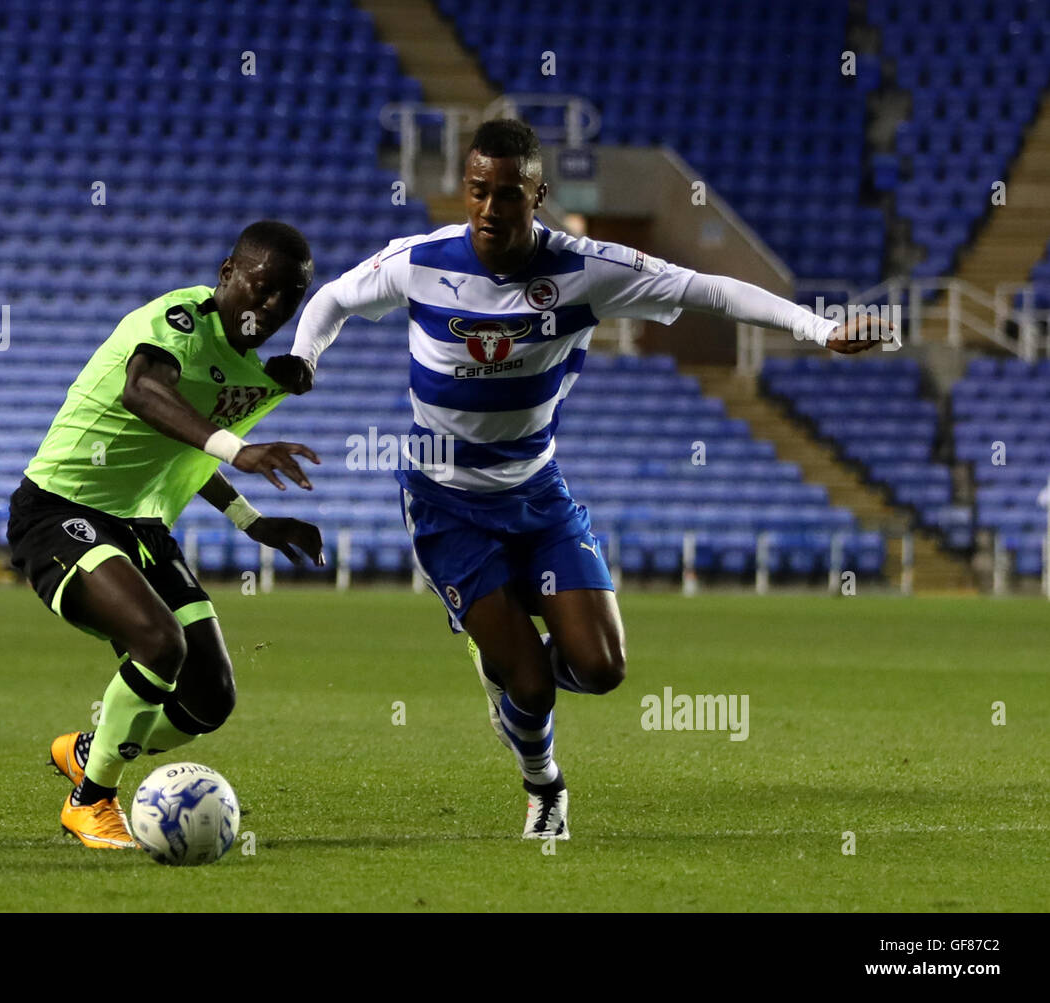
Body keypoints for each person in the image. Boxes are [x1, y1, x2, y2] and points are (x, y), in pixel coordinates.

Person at [266, 120, 880, 839]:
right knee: (527, 683)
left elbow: (709, 289)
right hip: (445, 503)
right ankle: (545, 785)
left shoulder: (587, 269)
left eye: (508, 194)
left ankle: (506, 651)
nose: (491, 209)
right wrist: (305, 358)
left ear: (539, 194)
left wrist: (819, 329)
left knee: (602, 668)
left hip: (537, 496)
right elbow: (334, 298)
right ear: (464, 190)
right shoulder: (420, 260)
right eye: (478, 191)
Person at [9, 220, 325, 849]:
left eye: (285, 298)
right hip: (60, 511)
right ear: (228, 273)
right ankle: (90, 800)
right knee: (160, 642)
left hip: (142, 527)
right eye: (259, 288)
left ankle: (90, 750)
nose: (268, 307)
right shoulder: (179, 321)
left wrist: (252, 520)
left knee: (210, 699)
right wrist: (239, 450)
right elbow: (143, 393)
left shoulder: (242, 371)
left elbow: (181, 451)